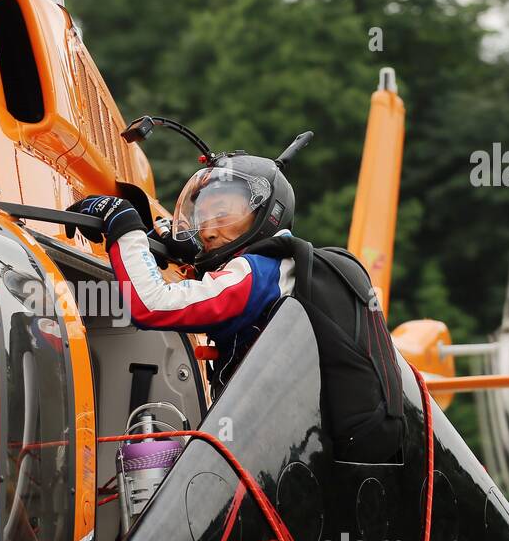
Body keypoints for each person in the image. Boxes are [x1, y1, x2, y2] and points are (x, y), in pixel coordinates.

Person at [67, 152, 405, 463]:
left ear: (264, 216)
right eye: (202, 217)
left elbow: (152, 305)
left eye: (224, 214)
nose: (209, 230)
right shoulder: (283, 270)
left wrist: (124, 227)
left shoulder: (257, 271)